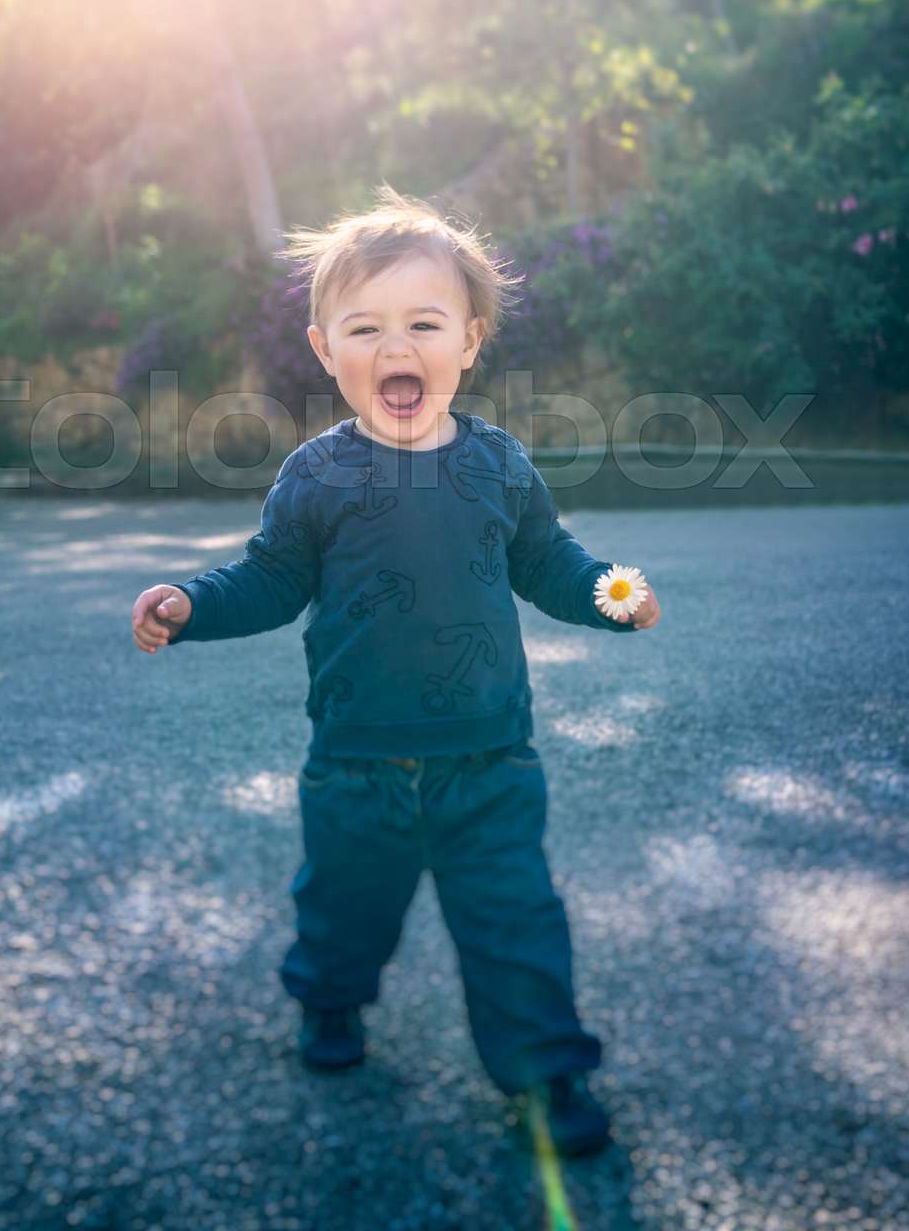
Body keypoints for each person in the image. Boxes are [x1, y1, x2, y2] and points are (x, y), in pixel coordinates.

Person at [130, 184, 660, 1157]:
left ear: (469, 340)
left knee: (515, 922)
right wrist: (192, 604)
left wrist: (610, 596)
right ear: (326, 350)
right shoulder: (316, 476)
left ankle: (545, 1071)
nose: (395, 346)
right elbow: (270, 578)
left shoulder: (498, 467)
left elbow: (549, 562)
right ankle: (329, 1001)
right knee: (342, 907)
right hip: (356, 763)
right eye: (364, 327)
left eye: (423, 321)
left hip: (489, 760)